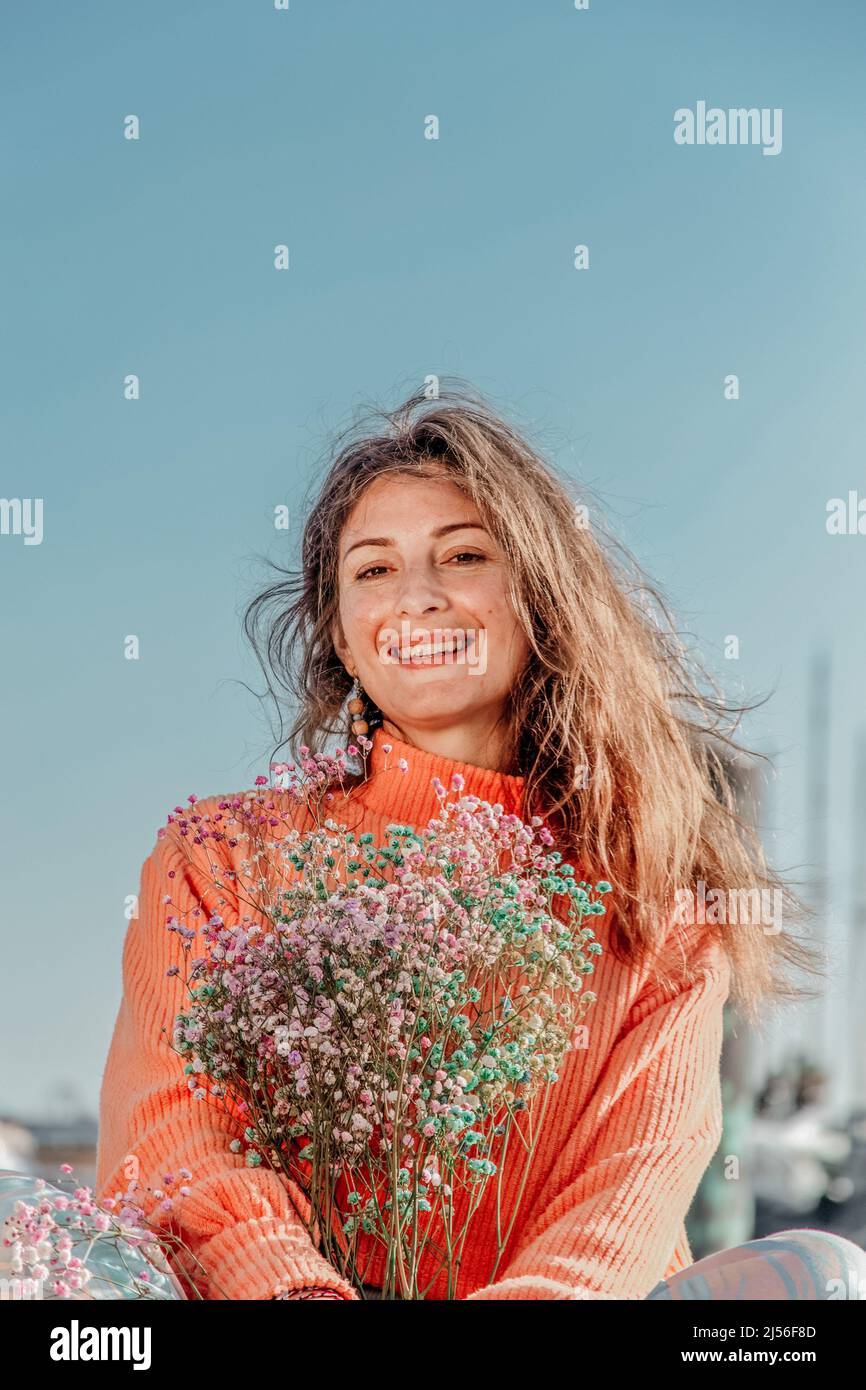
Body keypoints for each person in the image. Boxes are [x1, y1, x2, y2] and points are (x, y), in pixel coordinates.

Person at [95, 384, 865, 1300]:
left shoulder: (652, 888)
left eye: (463, 555)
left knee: (822, 1278)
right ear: (340, 632)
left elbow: (631, 1189)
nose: (415, 597)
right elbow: (176, 1135)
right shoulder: (219, 857)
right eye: (372, 570)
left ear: (539, 596)